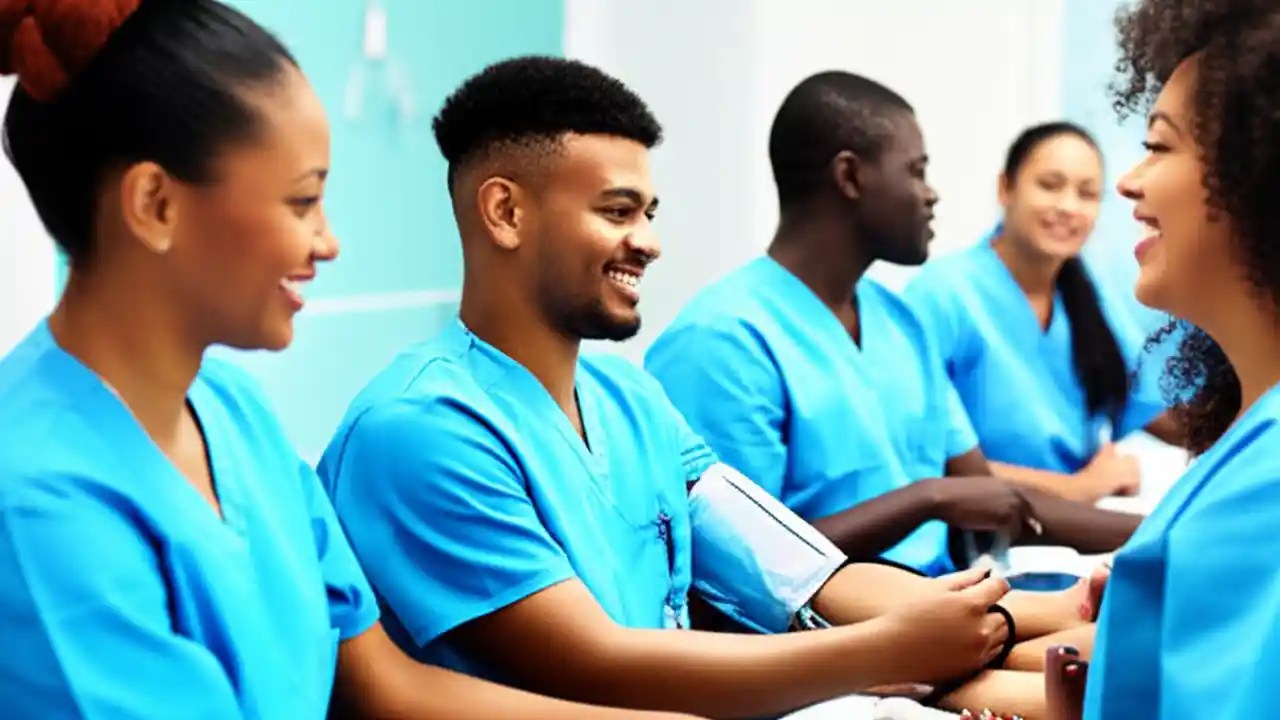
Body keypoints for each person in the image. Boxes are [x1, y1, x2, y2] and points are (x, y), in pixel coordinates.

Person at [0, 3, 700, 718]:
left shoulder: (236, 414)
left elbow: (384, 683)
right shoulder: (36, 500)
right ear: (155, 203)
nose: (328, 242)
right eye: (302, 202)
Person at [319, 56, 1072, 720]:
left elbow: (806, 575)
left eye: (648, 213)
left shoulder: (630, 400)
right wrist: (879, 654)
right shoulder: (421, 428)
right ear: (506, 213)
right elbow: (592, 663)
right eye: (617, 211)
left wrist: (1042, 612)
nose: (648, 241)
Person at [645, 72, 1141, 580]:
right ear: (850, 177)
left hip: (945, 605)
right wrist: (927, 499)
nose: (931, 195)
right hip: (826, 640)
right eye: (916, 171)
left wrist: (1161, 534)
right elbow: (749, 563)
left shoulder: (900, 322)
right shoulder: (723, 339)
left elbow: (990, 498)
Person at [1046, 0, 1280, 717]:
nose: (1126, 184)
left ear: (1257, 174)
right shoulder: (1248, 453)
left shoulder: (1261, 494)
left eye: (1161, 145)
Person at [903, 123, 1181, 504]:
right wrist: (1077, 489)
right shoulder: (944, 293)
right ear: (1006, 189)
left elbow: (1158, 409)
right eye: (1050, 185)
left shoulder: (1087, 295)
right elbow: (922, 455)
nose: (1068, 207)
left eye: (1087, 194)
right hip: (979, 531)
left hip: (1066, 532)